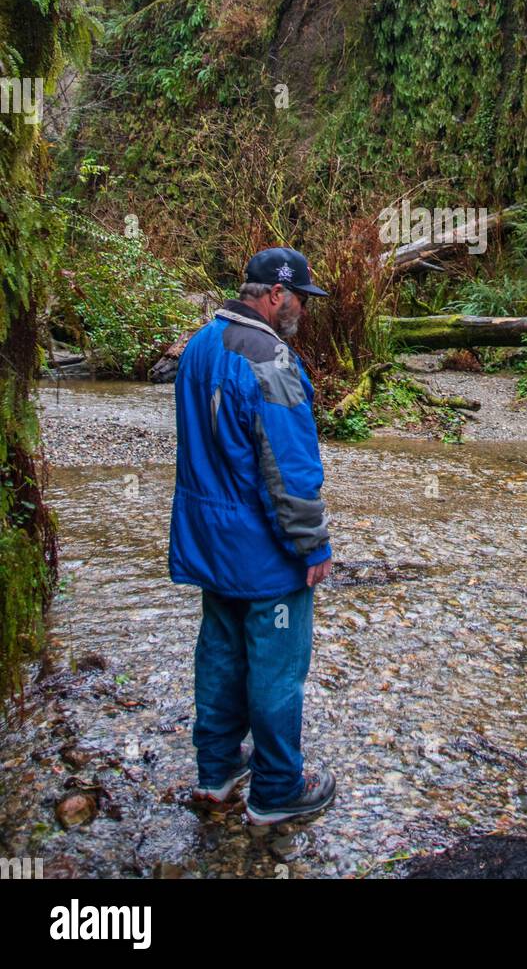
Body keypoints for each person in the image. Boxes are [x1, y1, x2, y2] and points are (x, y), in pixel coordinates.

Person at [169, 246, 336, 825]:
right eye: (299, 301)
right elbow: (288, 465)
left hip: (209, 542)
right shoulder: (270, 358)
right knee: (277, 669)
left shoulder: (198, 345)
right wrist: (311, 545)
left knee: (218, 651)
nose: (302, 313)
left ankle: (215, 771)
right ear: (273, 295)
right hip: (263, 554)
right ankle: (277, 788)